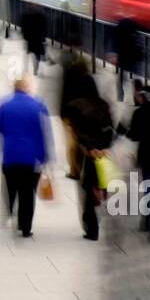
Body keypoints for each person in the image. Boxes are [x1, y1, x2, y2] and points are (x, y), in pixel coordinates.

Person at [0, 74, 55, 237]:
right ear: (28, 88)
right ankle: (25, 226)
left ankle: (10, 209)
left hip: (10, 157)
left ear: (14, 88)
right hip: (32, 158)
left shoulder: (5, 106)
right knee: (28, 193)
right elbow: (45, 133)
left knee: (11, 186)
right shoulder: (39, 105)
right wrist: (48, 156)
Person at [63, 74, 114, 241]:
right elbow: (109, 129)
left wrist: (90, 148)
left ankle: (91, 228)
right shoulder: (104, 106)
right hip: (104, 153)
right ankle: (101, 196)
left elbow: (79, 132)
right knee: (101, 181)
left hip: (89, 154)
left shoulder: (76, 107)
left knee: (87, 186)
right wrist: (105, 148)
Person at [116, 81, 150, 236]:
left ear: (142, 97)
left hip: (145, 154)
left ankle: (148, 219)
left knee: (147, 185)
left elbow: (134, 134)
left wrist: (125, 133)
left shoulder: (140, 113)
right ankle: (148, 215)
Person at [57, 51, 93, 180]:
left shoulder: (70, 79)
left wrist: (62, 115)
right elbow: (94, 98)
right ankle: (81, 169)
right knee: (82, 142)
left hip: (71, 117)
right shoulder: (89, 80)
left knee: (72, 145)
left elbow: (64, 97)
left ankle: (74, 171)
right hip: (85, 117)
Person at [111, 17, 143, 102]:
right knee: (136, 78)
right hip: (133, 57)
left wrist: (115, 54)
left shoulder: (120, 31)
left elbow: (115, 42)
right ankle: (137, 99)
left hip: (123, 57)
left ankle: (120, 96)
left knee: (121, 77)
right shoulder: (134, 31)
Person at [19, 4, 48, 76]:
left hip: (29, 38)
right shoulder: (41, 16)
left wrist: (24, 36)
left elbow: (23, 27)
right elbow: (44, 28)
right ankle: (35, 69)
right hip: (38, 38)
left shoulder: (26, 15)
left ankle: (27, 68)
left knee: (27, 53)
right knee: (37, 54)